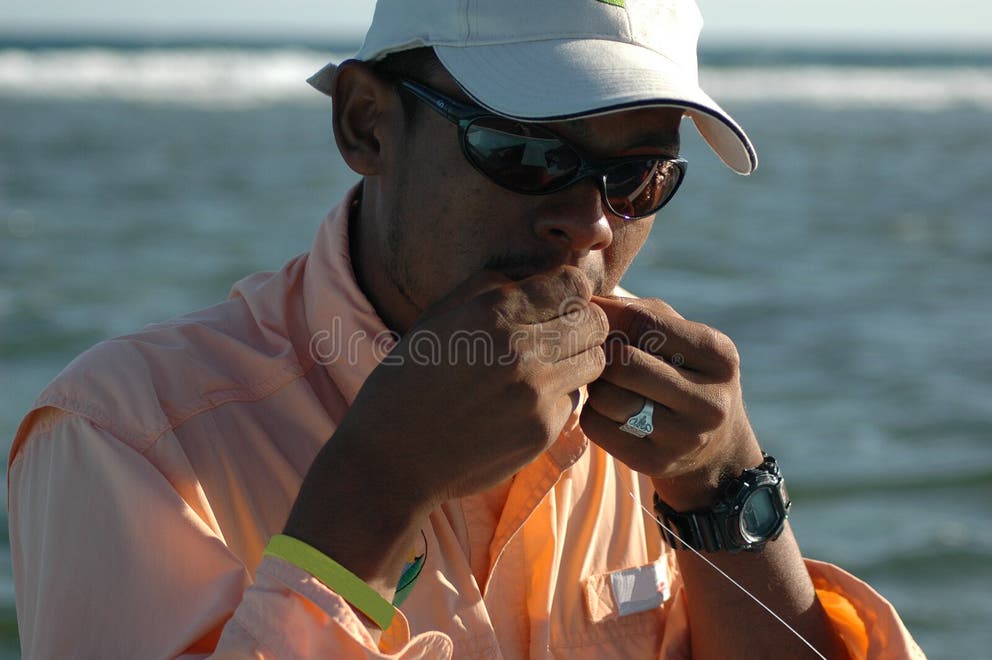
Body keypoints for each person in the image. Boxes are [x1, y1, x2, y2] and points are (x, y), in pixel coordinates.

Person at [7, 0, 924, 658]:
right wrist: (377, 488)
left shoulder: (660, 437)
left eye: (638, 177)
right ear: (367, 125)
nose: (589, 224)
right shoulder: (127, 433)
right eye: (526, 152)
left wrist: (726, 496)